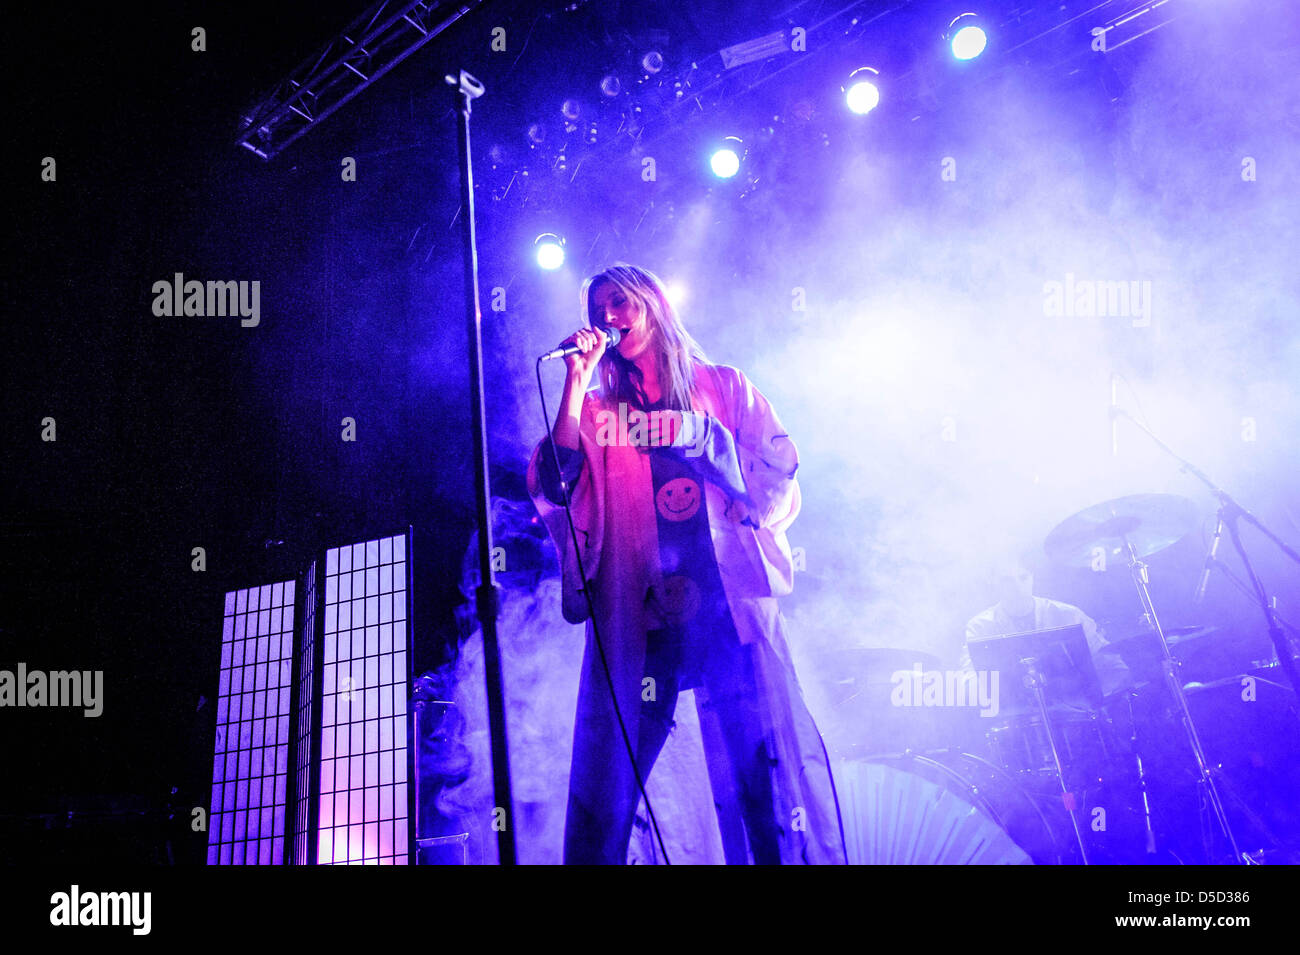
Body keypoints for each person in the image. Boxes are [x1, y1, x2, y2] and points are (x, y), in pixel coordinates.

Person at [526, 263, 846, 864]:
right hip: (647, 624)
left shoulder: (722, 388)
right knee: (613, 777)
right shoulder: (599, 413)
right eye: (599, 312)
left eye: (620, 302)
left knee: (763, 776)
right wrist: (576, 379)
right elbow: (558, 484)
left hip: (727, 616)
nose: (609, 319)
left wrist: (701, 436)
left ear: (652, 302)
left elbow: (777, 483)